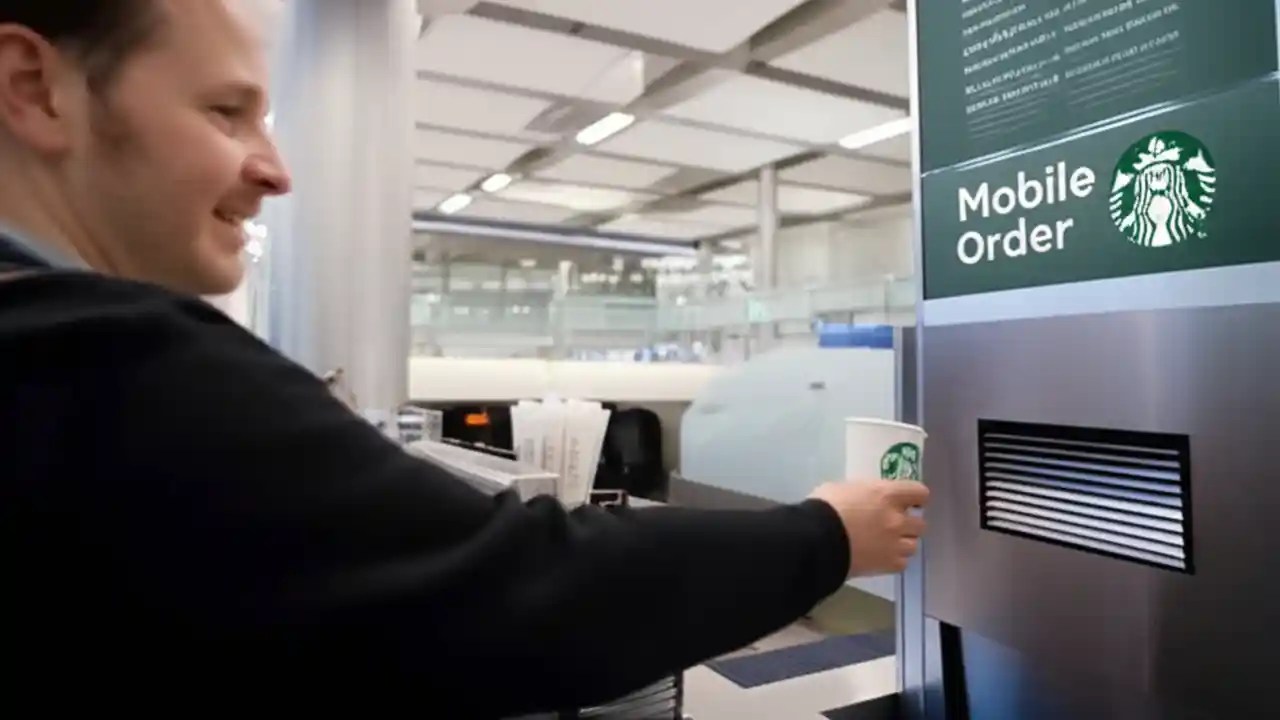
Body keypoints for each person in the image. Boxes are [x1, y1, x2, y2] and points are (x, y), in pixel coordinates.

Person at [0, 1, 930, 716]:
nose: (276, 168)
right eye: (224, 112)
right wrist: (830, 534)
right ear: (35, 86)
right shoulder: (102, 363)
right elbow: (525, 590)